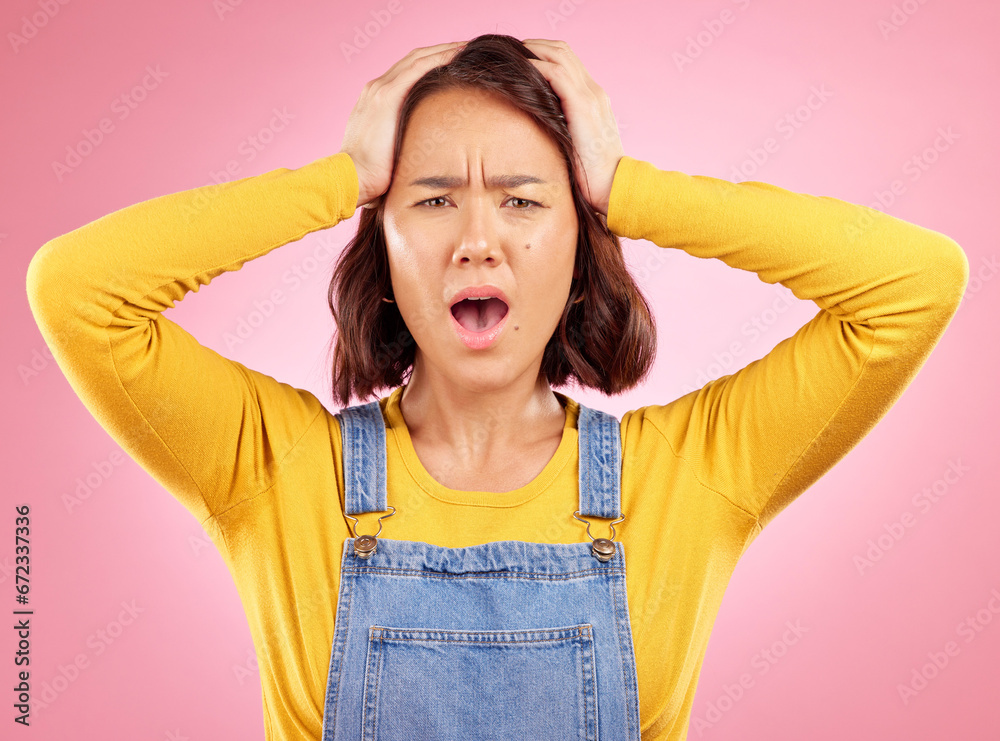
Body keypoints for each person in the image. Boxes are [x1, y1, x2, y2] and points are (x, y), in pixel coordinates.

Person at [25, 34, 968, 741]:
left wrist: (628, 186)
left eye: (524, 200)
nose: (478, 239)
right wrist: (339, 175)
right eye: (432, 199)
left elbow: (914, 284)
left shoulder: (690, 476)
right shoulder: (275, 471)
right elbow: (77, 292)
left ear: (579, 243)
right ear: (382, 243)